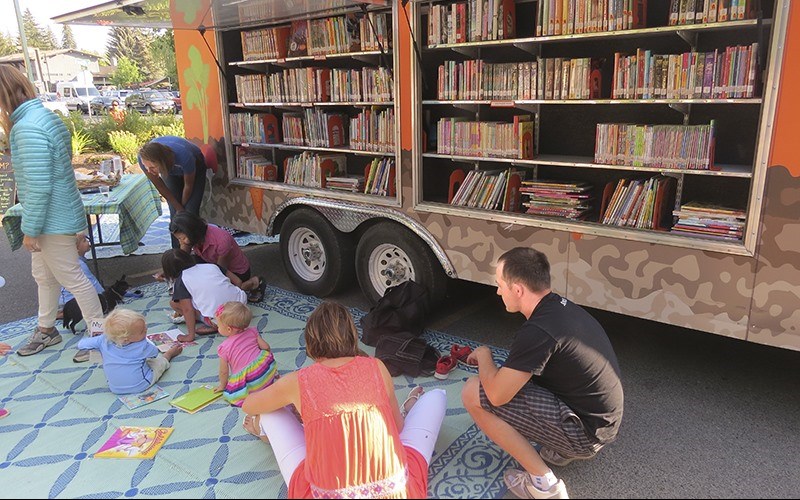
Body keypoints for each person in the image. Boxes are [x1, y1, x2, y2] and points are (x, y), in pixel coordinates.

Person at [461, 247, 624, 500]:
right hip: (602, 421)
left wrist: (483, 354)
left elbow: (496, 396)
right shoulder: (560, 307)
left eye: (500, 284)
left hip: (587, 434)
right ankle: (561, 449)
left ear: (517, 290)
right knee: (512, 372)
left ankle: (545, 484)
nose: (497, 291)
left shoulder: (538, 330)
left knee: (474, 392)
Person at [241, 301, 447, 499]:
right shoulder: (377, 367)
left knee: (269, 412)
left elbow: (249, 404)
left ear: (310, 342)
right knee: (437, 396)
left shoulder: (297, 381)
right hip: (395, 493)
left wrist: (289, 399)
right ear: (352, 336)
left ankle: (260, 429)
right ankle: (407, 408)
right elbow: (398, 427)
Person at [0, 64, 104, 358]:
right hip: (59, 214)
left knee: (72, 279)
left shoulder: (26, 126)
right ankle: (46, 329)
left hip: (50, 220)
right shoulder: (45, 117)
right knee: (45, 277)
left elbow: (38, 185)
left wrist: (30, 230)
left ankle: (100, 336)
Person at [77, 309, 182, 395]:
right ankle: (169, 354)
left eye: (145, 326)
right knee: (158, 362)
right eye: (142, 331)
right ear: (126, 339)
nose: (146, 329)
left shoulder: (103, 340)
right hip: (140, 384)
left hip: (114, 388)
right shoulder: (142, 346)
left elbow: (81, 345)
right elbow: (154, 353)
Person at [169, 211, 266, 303]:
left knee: (218, 292)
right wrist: (169, 271)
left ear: (192, 232)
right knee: (189, 268)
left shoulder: (221, 240)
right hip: (213, 265)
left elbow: (220, 271)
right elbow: (182, 259)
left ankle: (253, 282)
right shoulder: (194, 238)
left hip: (236, 272)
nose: (181, 242)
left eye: (183, 238)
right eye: (179, 239)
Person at [161, 248, 248, 342]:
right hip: (242, 306)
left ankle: (214, 324)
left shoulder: (181, 280)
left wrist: (190, 335)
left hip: (220, 318)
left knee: (174, 303)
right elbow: (238, 281)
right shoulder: (211, 265)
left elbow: (187, 309)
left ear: (169, 270)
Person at [138, 136, 207, 248]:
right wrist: (178, 208)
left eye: (152, 167)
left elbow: (188, 186)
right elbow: (160, 186)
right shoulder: (143, 160)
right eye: (146, 167)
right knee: (175, 214)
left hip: (195, 166)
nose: (149, 171)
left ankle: (199, 250)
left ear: (161, 162)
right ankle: (178, 255)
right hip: (169, 170)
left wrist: (183, 207)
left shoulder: (184, 155)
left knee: (190, 212)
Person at [213, 301, 278, 406]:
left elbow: (224, 372)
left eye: (218, 326)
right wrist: (266, 363)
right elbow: (266, 347)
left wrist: (222, 385)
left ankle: (254, 392)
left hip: (250, 379)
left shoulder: (224, 347)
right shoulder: (252, 331)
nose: (217, 328)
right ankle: (264, 383)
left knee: (232, 395)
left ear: (228, 329)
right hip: (266, 372)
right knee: (262, 367)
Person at [57, 234, 104, 318]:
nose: (88, 242)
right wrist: (104, 296)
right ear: (76, 248)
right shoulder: (79, 265)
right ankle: (63, 313)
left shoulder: (71, 261)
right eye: (84, 241)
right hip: (69, 301)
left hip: (66, 299)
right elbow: (93, 284)